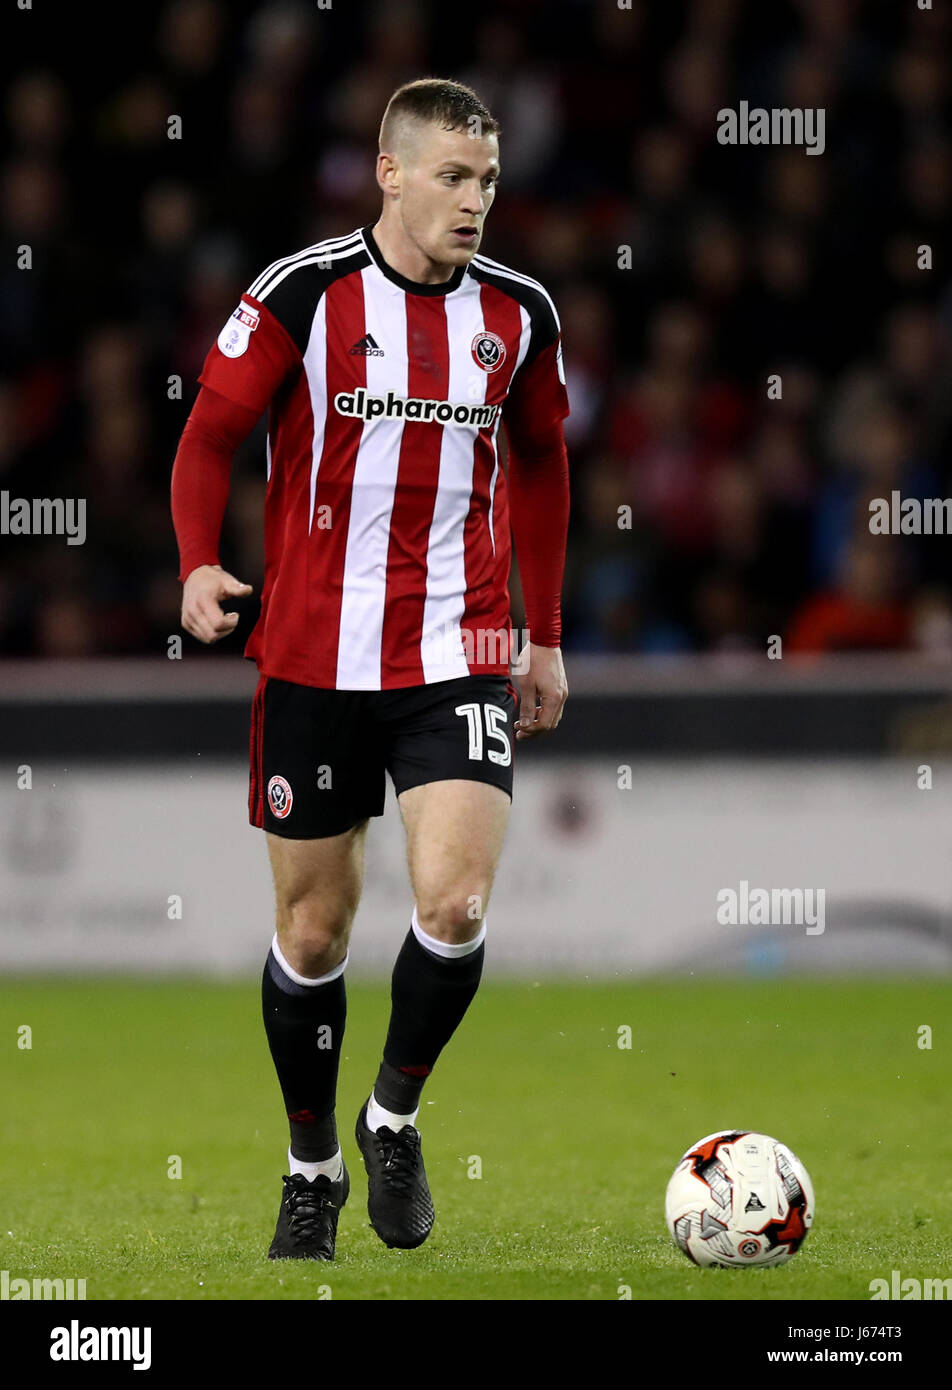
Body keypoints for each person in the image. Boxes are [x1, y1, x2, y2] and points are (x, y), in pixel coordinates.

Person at [171, 77, 570, 1260]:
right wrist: (199, 564)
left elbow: (544, 463)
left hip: (460, 647)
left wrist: (540, 634)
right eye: (453, 176)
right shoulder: (303, 290)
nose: (474, 201)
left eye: (487, 181)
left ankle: (390, 1111)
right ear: (389, 173)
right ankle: (312, 1169)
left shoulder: (520, 313)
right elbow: (207, 432)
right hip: (312, 655)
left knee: (455, 902)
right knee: (311, 935)